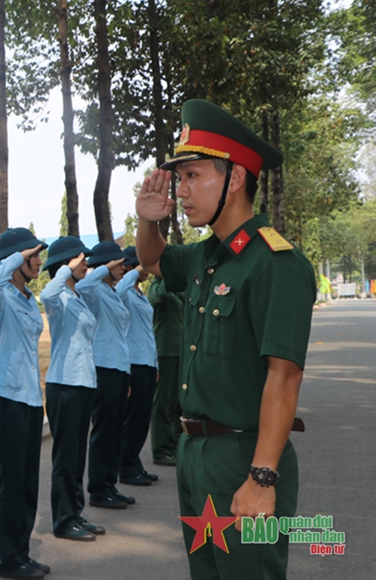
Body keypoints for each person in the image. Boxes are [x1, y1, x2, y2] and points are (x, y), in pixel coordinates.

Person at [135, 99, 316, 579]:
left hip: (245, 459)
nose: (183, 189)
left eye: (193, 175)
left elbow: (285, 376)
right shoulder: (203, 258)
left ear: (234, 179)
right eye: (180, 178)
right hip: (196, 457)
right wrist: (147, 220)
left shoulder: (276, 263)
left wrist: (262, 478)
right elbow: (153, 260)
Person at [0, 227, 49, 579]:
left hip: (29, 399)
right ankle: (6, 560)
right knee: (10, 487)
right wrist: (18, 255)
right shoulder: (2, 294)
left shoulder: (26, 299)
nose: (38, 262)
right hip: (6, 400)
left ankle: (21, 553)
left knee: (27, 484)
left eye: (37, 256)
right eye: (32, 256)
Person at [39, 237, 107, 542]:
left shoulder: (76, 295)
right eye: (82, 260)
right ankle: (63, 520)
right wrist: (66, 267)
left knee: (78, 455)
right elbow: (47, 291)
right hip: (64, 384)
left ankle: (76, 513)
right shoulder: (58, 297)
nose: (87, 265)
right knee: (65, 457)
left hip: (83, 382)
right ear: (66, 263)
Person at [77, 241, 135, 510]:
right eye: (119, 264)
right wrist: (106, 264)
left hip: (119, 368)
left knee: (114, 430)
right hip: (103, 367)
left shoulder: (112, 292)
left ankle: (110, 484)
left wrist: (127, 374)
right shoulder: (95, 291)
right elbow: (83, 285)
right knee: (103, 430)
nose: (123, 267)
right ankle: (98, 489)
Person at [116, 246, 159, 487]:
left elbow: (148, 332)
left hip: (147, 360)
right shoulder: (123, 292)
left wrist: (156, 364)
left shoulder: (140, 293)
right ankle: (126, 466)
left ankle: (134, 462)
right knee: (132, 419)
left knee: (143, 419)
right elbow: (121, 286)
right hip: (133, 360)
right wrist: (143, 263)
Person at [147, 275, 183, 466]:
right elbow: (156, 297)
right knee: (163, 402)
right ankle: (160, 449)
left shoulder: (176, 290)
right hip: (164, 351)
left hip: (178, 351)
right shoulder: (157, 286)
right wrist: (165, 277)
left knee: (177, 402)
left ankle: (175, 445)